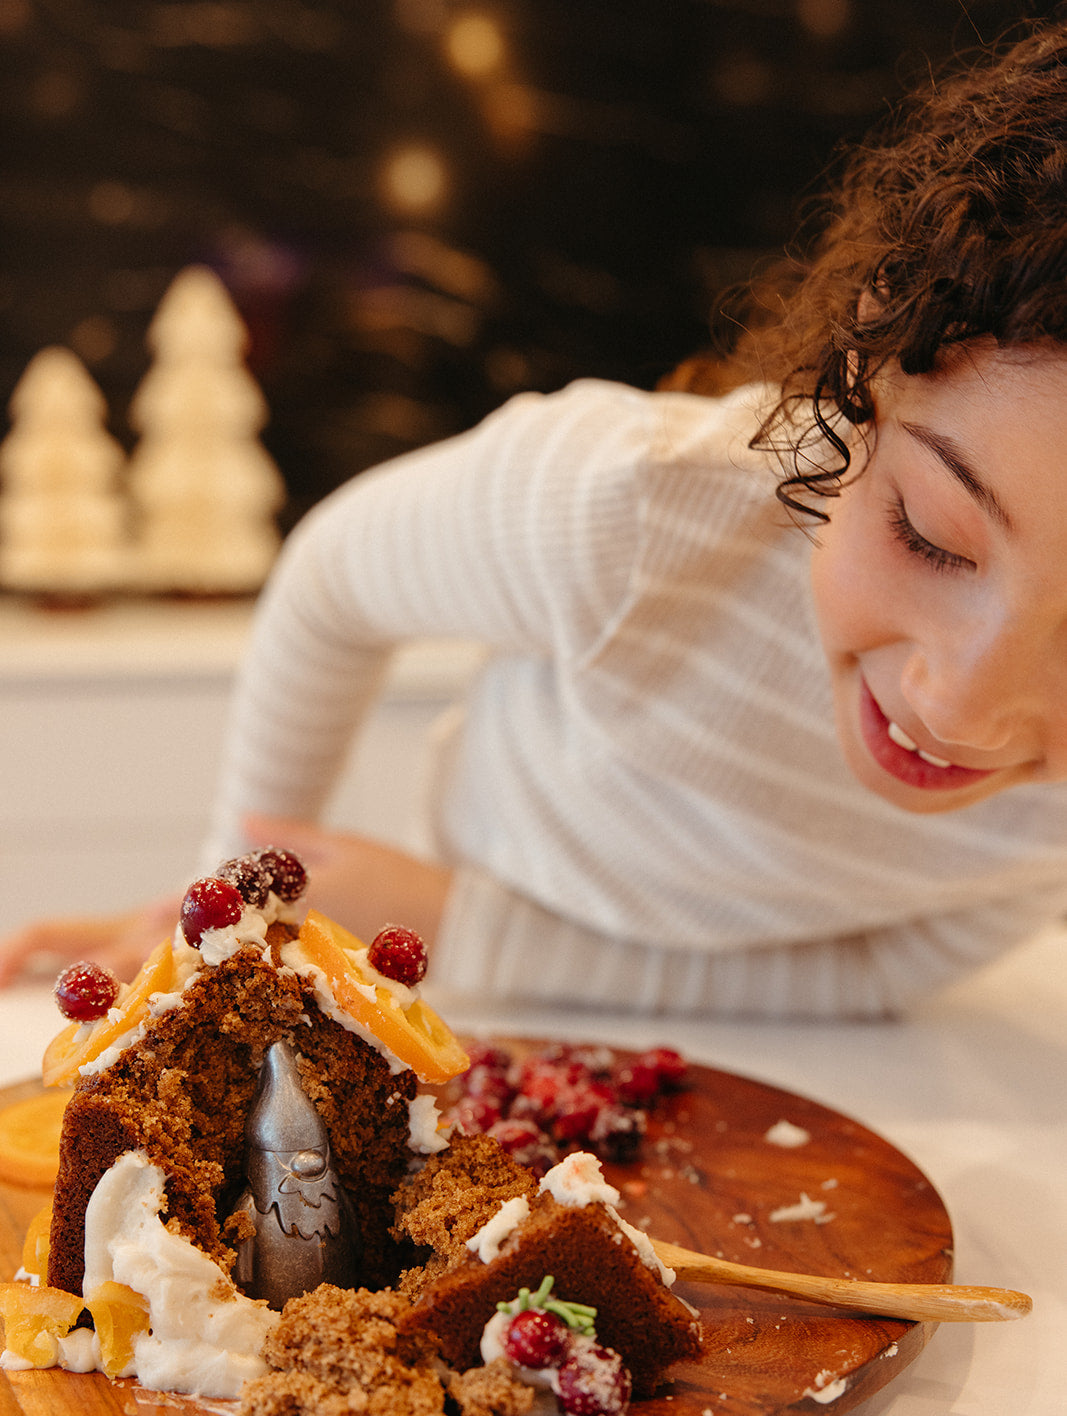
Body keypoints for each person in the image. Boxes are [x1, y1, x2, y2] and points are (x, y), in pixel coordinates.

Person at [7, 19, 1067, 1018]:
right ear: (856, 378)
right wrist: (219, 924)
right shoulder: (630, 506)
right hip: (478, 1015)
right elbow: (333, 577)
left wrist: (476, 930)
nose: (964, 709)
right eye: (928, 532)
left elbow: (868, 975)